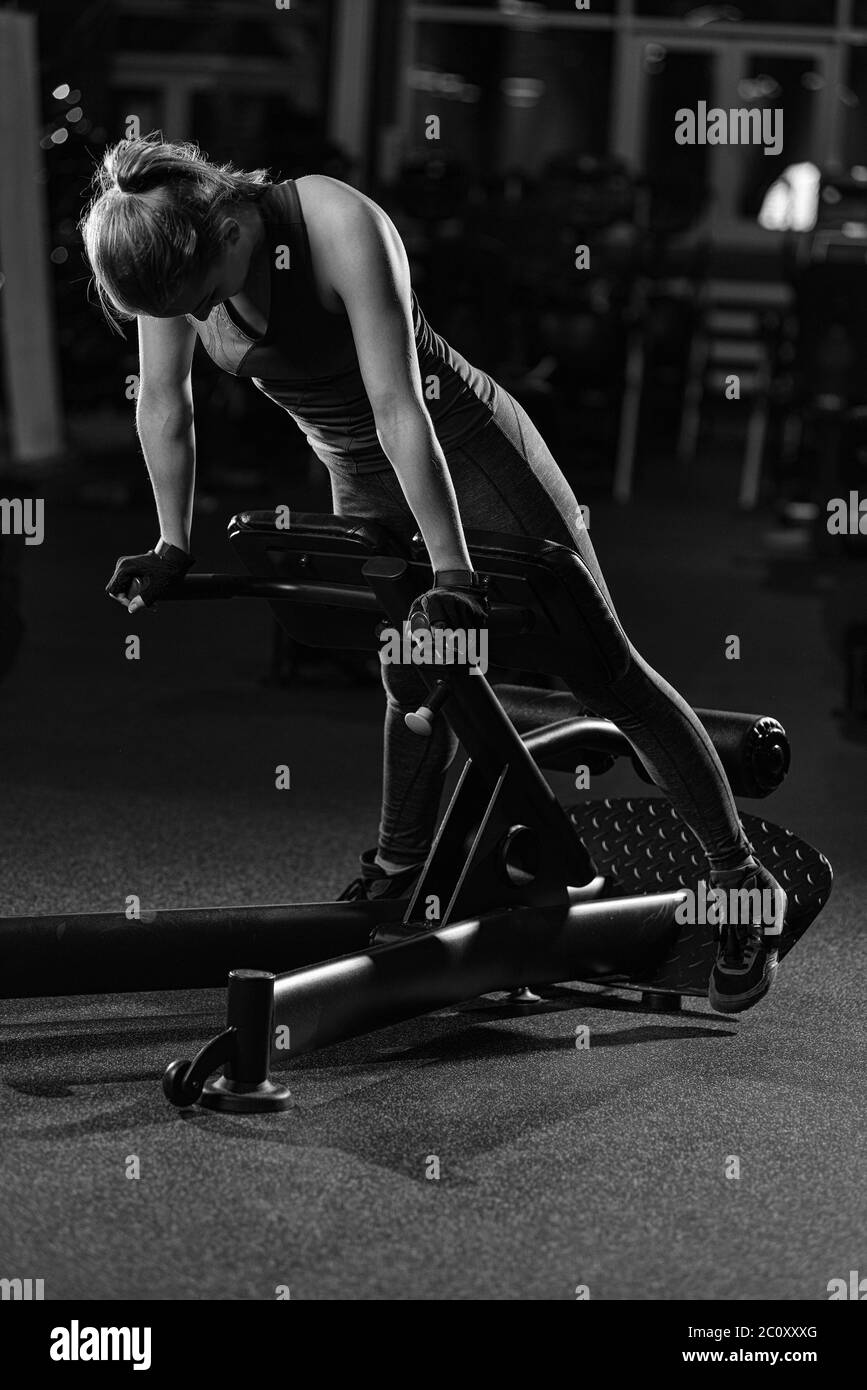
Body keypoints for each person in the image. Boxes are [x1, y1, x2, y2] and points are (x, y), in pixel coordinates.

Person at [82, 136, 784, 1014]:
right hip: (357, 467)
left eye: (207, 297)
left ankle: (741, 885)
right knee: (412, 671)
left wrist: (452, 569)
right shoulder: (158, 239)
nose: (200, 315)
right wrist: (170, 542)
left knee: (608, 679)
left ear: (226, 228)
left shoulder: (333, 222)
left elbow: (396, 405)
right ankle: (401, 875)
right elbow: (163, 402)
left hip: (465, 452)